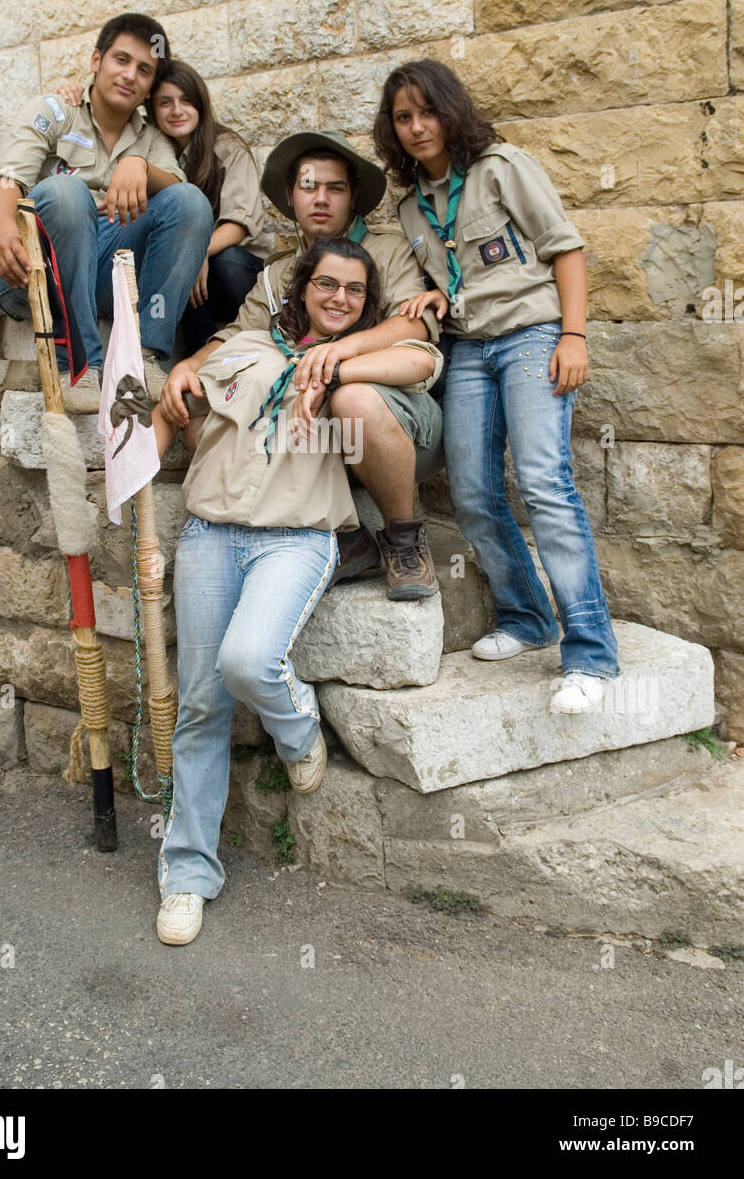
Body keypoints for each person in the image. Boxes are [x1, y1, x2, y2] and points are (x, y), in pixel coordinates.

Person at [149, 235, 442, 945]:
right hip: (211, 534)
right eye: (326, 286)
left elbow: (420, 357)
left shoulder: (365, 372)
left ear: (366, 303)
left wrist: (334, 358)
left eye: (353, 290)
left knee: (248, 662)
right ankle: (187, 873)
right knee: (199, 702)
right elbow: (168, 410)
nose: (338, 298)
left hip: (298, 537)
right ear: (302, 290)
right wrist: (135, 474)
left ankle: (297, 727)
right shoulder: (243, 350)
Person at [373, 57, 619, 716]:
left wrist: (574, 336)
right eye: (403, 117)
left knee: (544, 482)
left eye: (427, 111)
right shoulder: (408, 206)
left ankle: (591, 652)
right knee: (476, 492)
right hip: (467, 348)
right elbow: (454, 270)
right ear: (391, 130)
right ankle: (526, 616)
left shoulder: (503, 167)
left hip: (532, 336)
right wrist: (430, 292)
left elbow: (564, 248)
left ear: (451, 112)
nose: (418, 127)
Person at [158, 130, 445, 600]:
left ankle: (402, 539)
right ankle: (334, 535)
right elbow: (237, 337)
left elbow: (415, 329)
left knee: (352, 399)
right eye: (309, 186)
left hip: (388, 424)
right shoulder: (276, 274)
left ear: (353, 197)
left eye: (335, 188)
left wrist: (341, 354)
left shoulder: (388, 251)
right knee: (199, 397)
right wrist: (188, 365)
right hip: (306, 430)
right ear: (291, 196)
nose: (321, 199)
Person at [0, 12, 213, 411]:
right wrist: (5, 231)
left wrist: (139, 165)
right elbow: (8, 178)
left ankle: (143, 360)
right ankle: (77, 368)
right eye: (121, 60)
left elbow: (180, 192)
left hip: (105, 276)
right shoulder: (57, 111)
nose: (130, 75)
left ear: (149, 86)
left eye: (144, 70)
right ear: (96, 62)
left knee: (191, 200)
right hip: (33, 270)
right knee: (65, 192)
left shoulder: (151, 138)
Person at [55, 58, 267, 354]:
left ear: (201, 104)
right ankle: (194, 357)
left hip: (225, 267)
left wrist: (198, 251)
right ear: (151, 108)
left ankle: (223, 347)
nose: (177, 111)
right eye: (165, 103)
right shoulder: (143, 145)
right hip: (176, 272)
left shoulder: (227, 148)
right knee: (176, 264)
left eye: (187, 101)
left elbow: (239, 224)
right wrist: (74, 90)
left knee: (225, 264)